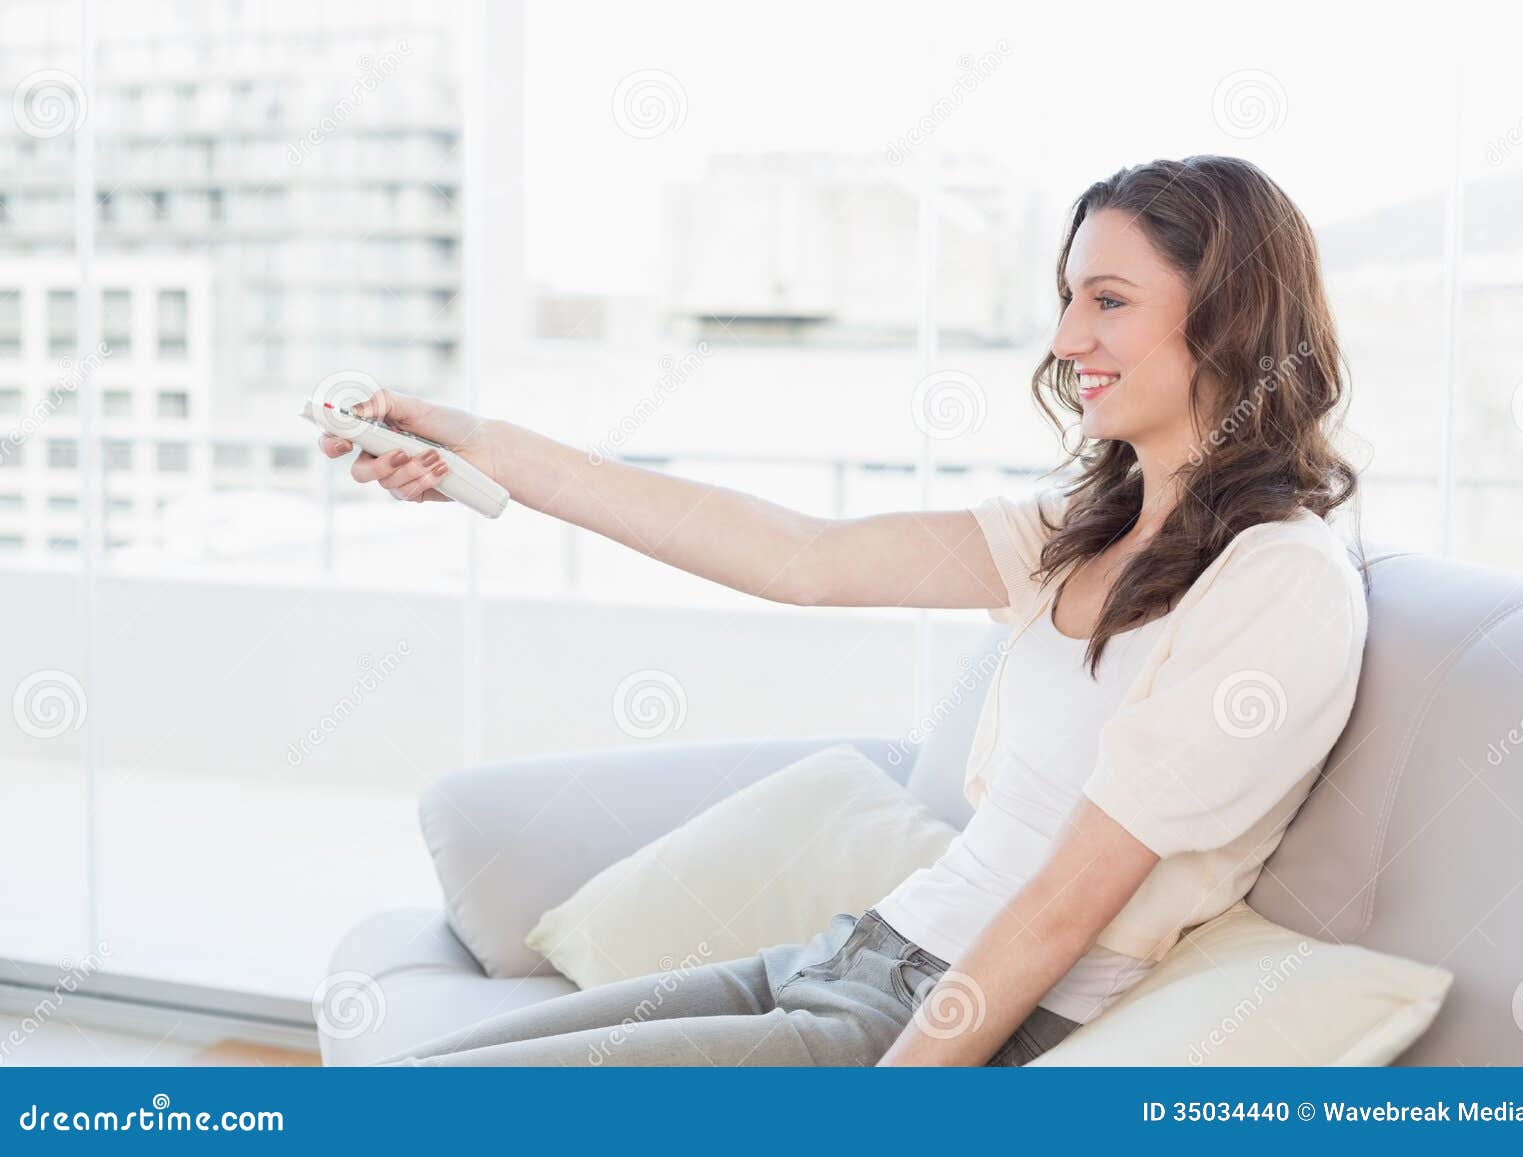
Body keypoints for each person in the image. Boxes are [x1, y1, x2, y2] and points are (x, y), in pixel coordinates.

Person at [317, 154, 1371, 1067]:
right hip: (857, 952)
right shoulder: (1083, 527)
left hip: (948, 1018)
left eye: (1106, 300)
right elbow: (798, 556)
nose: (1062, 338)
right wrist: (478, 441)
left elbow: (1069, 898)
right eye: (1065, 298)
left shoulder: (1278, 581)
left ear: (1227, 312)